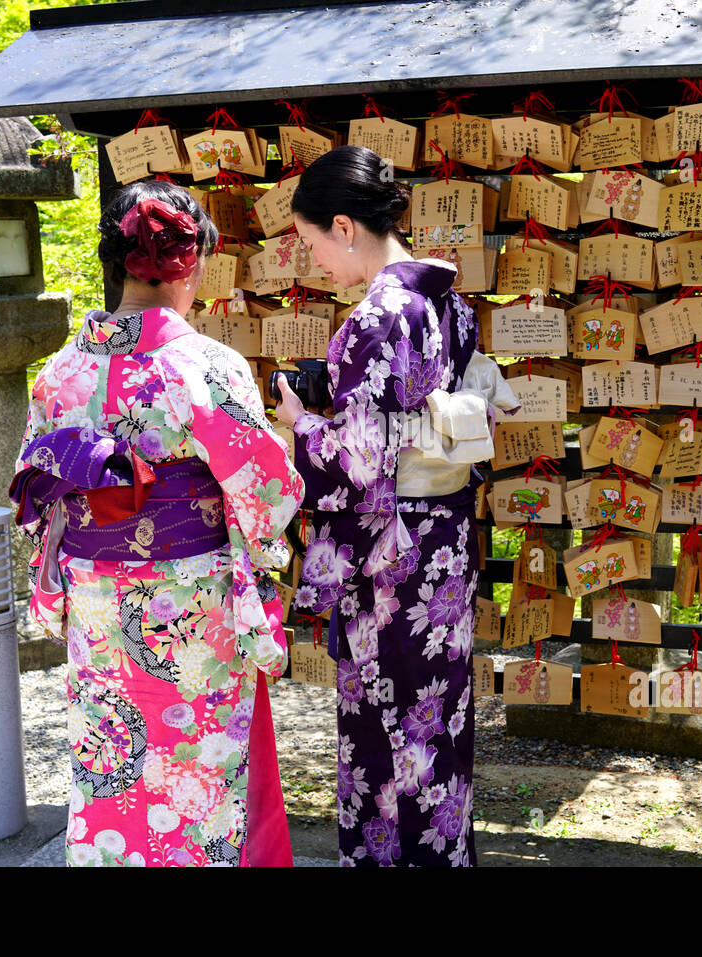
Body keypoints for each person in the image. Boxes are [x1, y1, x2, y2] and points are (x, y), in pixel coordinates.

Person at [10, 179, 304, 867]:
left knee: (109, 765)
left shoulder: (59, 372)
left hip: (93, 601)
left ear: (114, 261)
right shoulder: (202, 364)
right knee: (192, 772)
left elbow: (39, 497)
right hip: (188, 606)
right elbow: (266, 492)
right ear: (192, 261)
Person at [274, 144, 517, 866]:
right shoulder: (448, 300)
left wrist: (300, 423)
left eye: (314, 241)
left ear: (344, 226)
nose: (315, 259)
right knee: (436, 729)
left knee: (387, 736)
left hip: (394, 557)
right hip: (441, 545)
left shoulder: (379, 315)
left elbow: (358, 460)